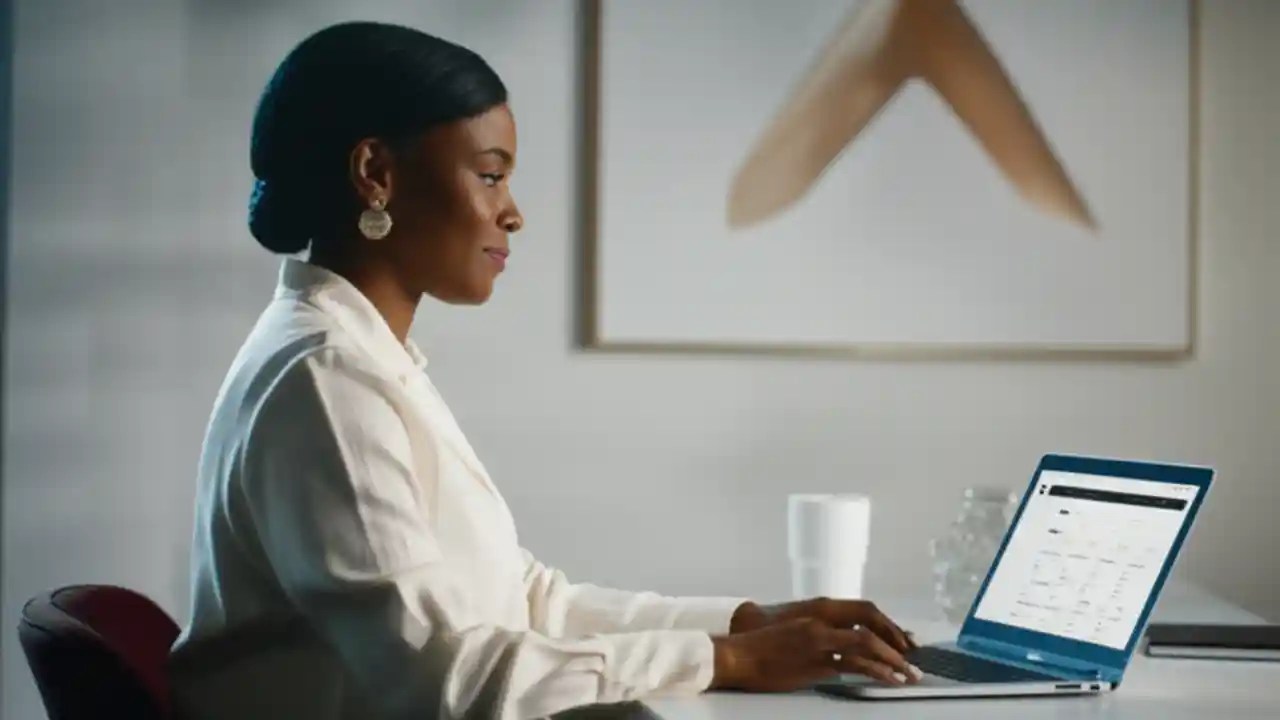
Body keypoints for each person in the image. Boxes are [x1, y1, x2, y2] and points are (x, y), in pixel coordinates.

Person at [169, 21, 922, 720]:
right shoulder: (328, 377)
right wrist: (726, 659)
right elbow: (440, 678)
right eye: (490, 175)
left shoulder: (354, 357)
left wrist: (742, 625)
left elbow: (521, 600)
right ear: (376, 173)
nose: (513, 213)